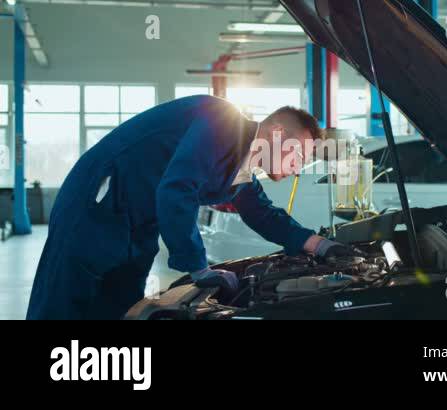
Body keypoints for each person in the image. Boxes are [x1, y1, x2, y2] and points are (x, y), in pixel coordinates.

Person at [26, 95, 357, 320]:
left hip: (139, 223)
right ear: (278, 132)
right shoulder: (223, 122)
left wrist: (321, 245)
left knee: (120, 306)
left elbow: (263, 215)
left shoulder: (240, 168)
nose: (298, 168)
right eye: (298, 154)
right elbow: (176, 190)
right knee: (63, 301)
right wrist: (199, 267)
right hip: (96, 202)